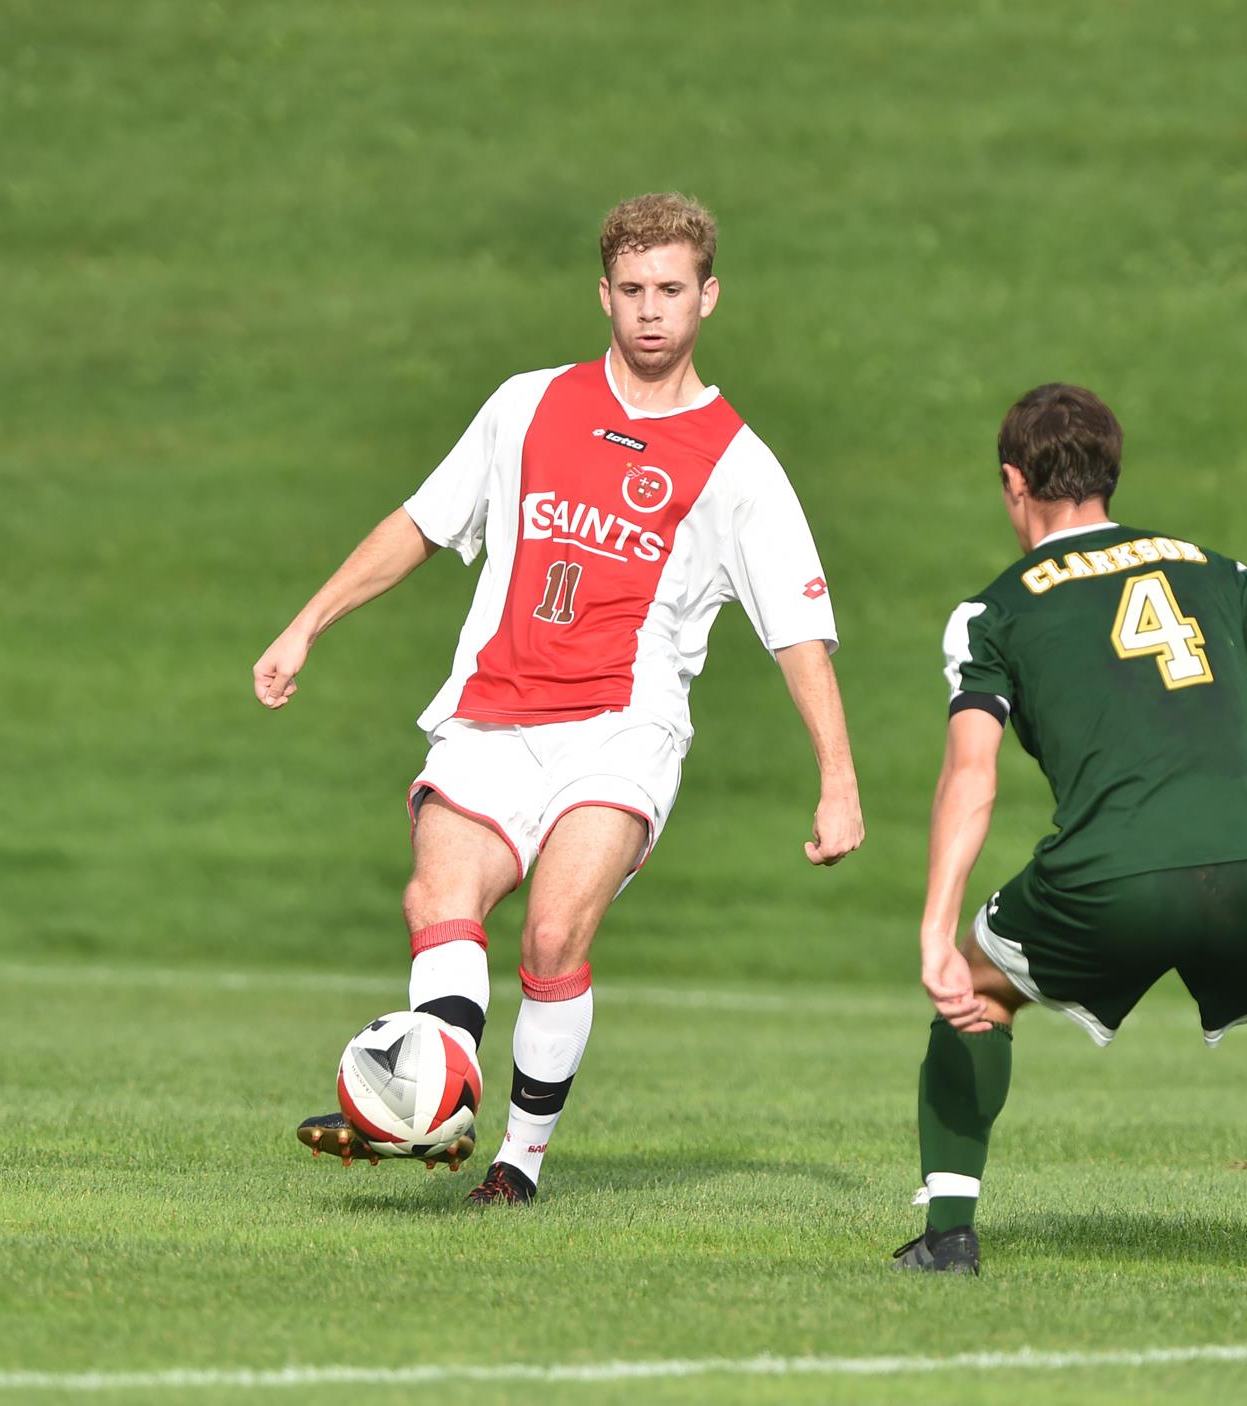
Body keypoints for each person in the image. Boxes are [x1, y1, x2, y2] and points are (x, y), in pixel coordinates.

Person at [254, 193, 864, 1205]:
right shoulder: (526, 403)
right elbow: (420, 520)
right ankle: (432, 1101)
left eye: (671, 290)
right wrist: (306, 621)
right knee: (436, 900)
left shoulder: (739, 467)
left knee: (549, 938)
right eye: (631, 291)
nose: (650, 312)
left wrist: (836, 781)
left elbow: (798, 632)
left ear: (708, 296)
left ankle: (514, 1163)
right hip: (491, 714)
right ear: (604, 295)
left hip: (622, 734)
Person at [895, 383, 1247, 1287]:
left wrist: (937, 928)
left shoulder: (994, 610)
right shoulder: (1217, 572)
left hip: (1106, 877)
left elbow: (972, 772)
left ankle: (949, 1236)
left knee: (977, 987)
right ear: (1110, 475)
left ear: (1014, 482)